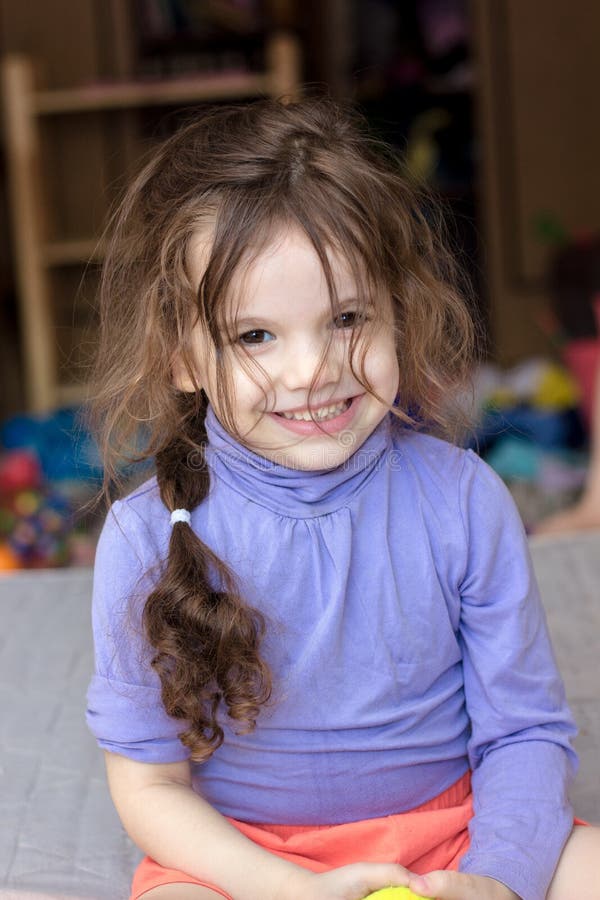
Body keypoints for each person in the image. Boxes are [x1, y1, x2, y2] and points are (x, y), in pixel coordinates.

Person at [85, 97, 599, 900]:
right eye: (256, 335)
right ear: (181, 355)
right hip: (246, 860)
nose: (310, 371)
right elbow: (151, 788)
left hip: (454, 835)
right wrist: (286, 888)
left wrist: (496, 880)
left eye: (347, 319)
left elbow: (524, 734)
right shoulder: (144, 536)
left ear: (401, 312)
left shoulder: (465, 501)